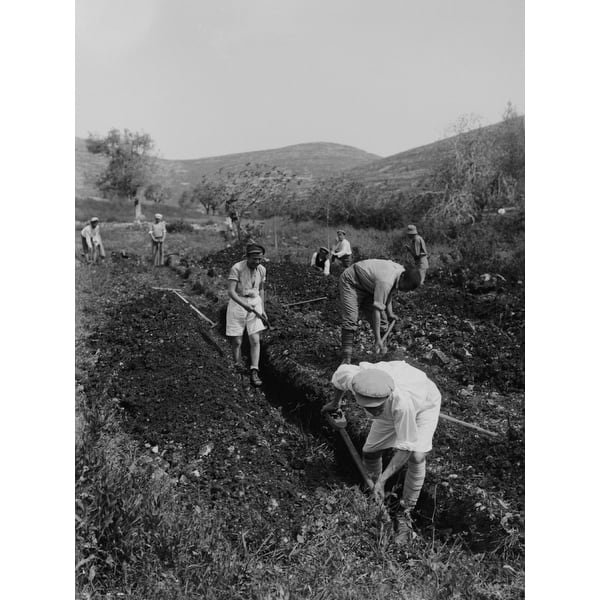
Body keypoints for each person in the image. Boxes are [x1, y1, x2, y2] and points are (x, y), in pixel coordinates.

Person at [323, 361, 441, 543]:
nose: (374, 410)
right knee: (370, 453)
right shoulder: (355, 379)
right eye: (370, 408)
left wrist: (384, 478)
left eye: (378, 406)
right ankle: (377, 495)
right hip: (388, 414)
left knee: (417, 457)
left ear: (387, 396)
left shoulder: (402, 404)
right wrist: (334, 403)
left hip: (424, 405)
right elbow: (340, 377)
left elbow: (405, 450)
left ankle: (405, 513)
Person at [338, 259, 422, 363]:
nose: (405, 291)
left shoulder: (400, 273)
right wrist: (377, 338)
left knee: (383, 322)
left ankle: (382, 353)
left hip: (369, 286)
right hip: (352, 281)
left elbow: (389, 292)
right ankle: (346, 357)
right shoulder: (386, 281)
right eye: (406, 287)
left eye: (409, 290)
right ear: (403, 277)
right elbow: (376, 310)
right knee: (351, 318)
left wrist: (390, 313)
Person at [226, 243, 268, 387]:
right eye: (254, 259)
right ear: (247, 257)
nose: (256, 262)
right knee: (237, 340)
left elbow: (261, 290)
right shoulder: (236, 268)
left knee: (255, 339)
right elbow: (231, 292)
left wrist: (262, 309)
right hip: (238, 303)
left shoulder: (262, 269)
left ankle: (254, 370)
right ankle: (237, 365)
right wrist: (244, 305)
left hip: (255, 303)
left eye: (259, 259)